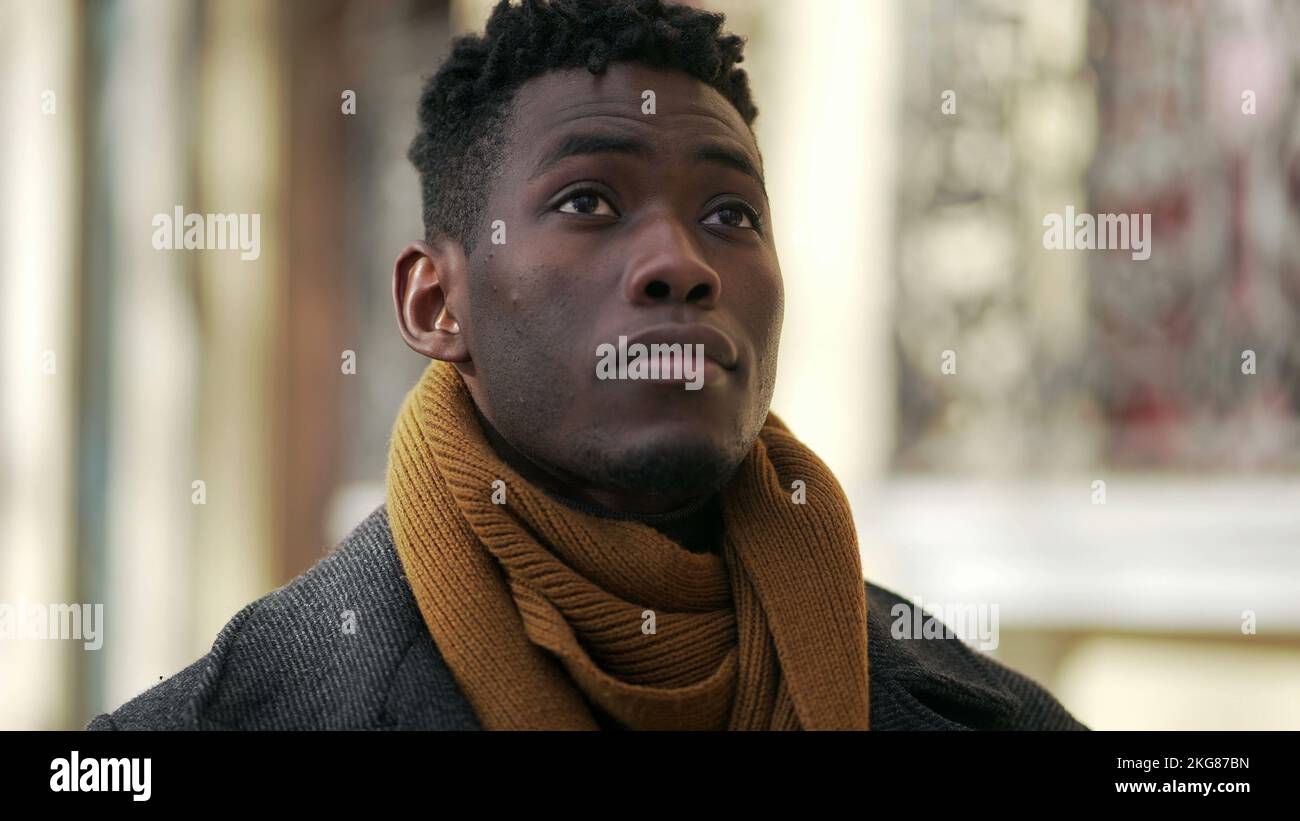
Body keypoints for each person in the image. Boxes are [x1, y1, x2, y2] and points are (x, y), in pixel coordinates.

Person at [87, 0, 1086, 731]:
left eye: (729, 215)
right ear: (437, 302)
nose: (681, 265)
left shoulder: (981, 713)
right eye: (587, 203)